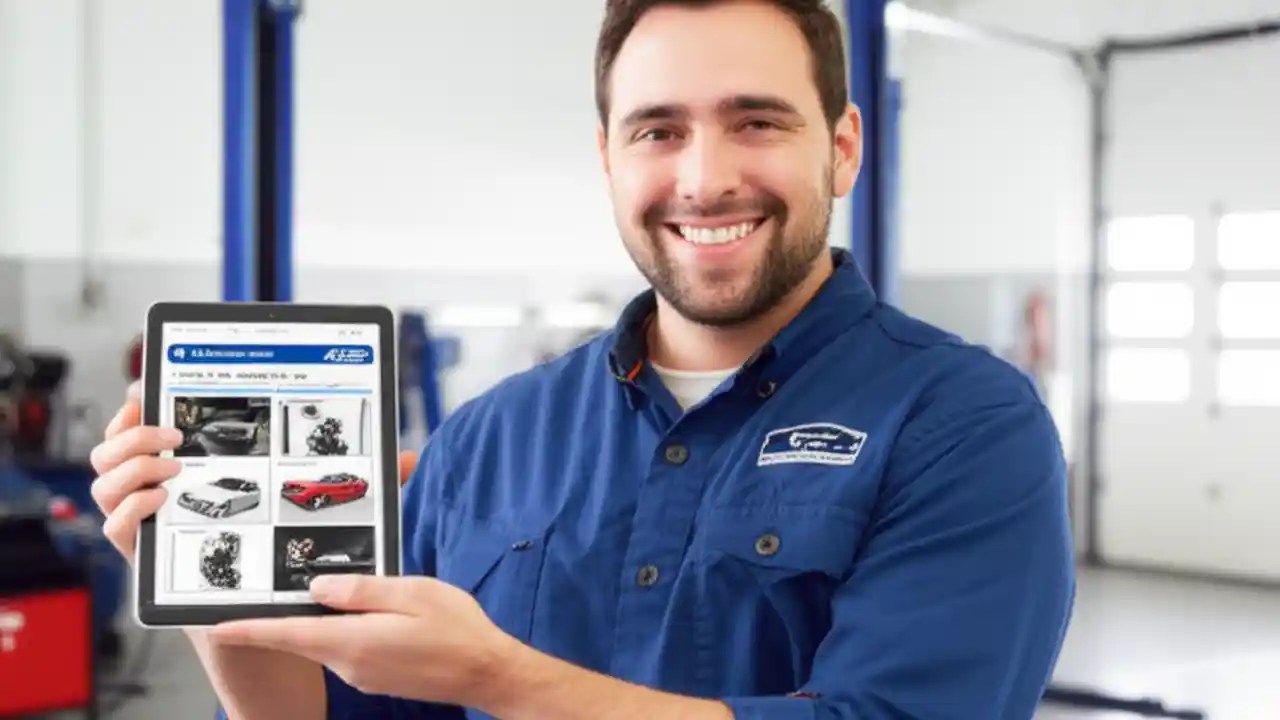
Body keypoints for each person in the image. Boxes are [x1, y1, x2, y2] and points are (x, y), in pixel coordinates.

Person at [89, 1, 1075, 718]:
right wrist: (213, 588)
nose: (704, 177)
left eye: (756, 121)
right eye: (658, 130)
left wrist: (496, 678)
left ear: (843, 147)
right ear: (608, 156)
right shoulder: (488, 436)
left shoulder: (962, 423)